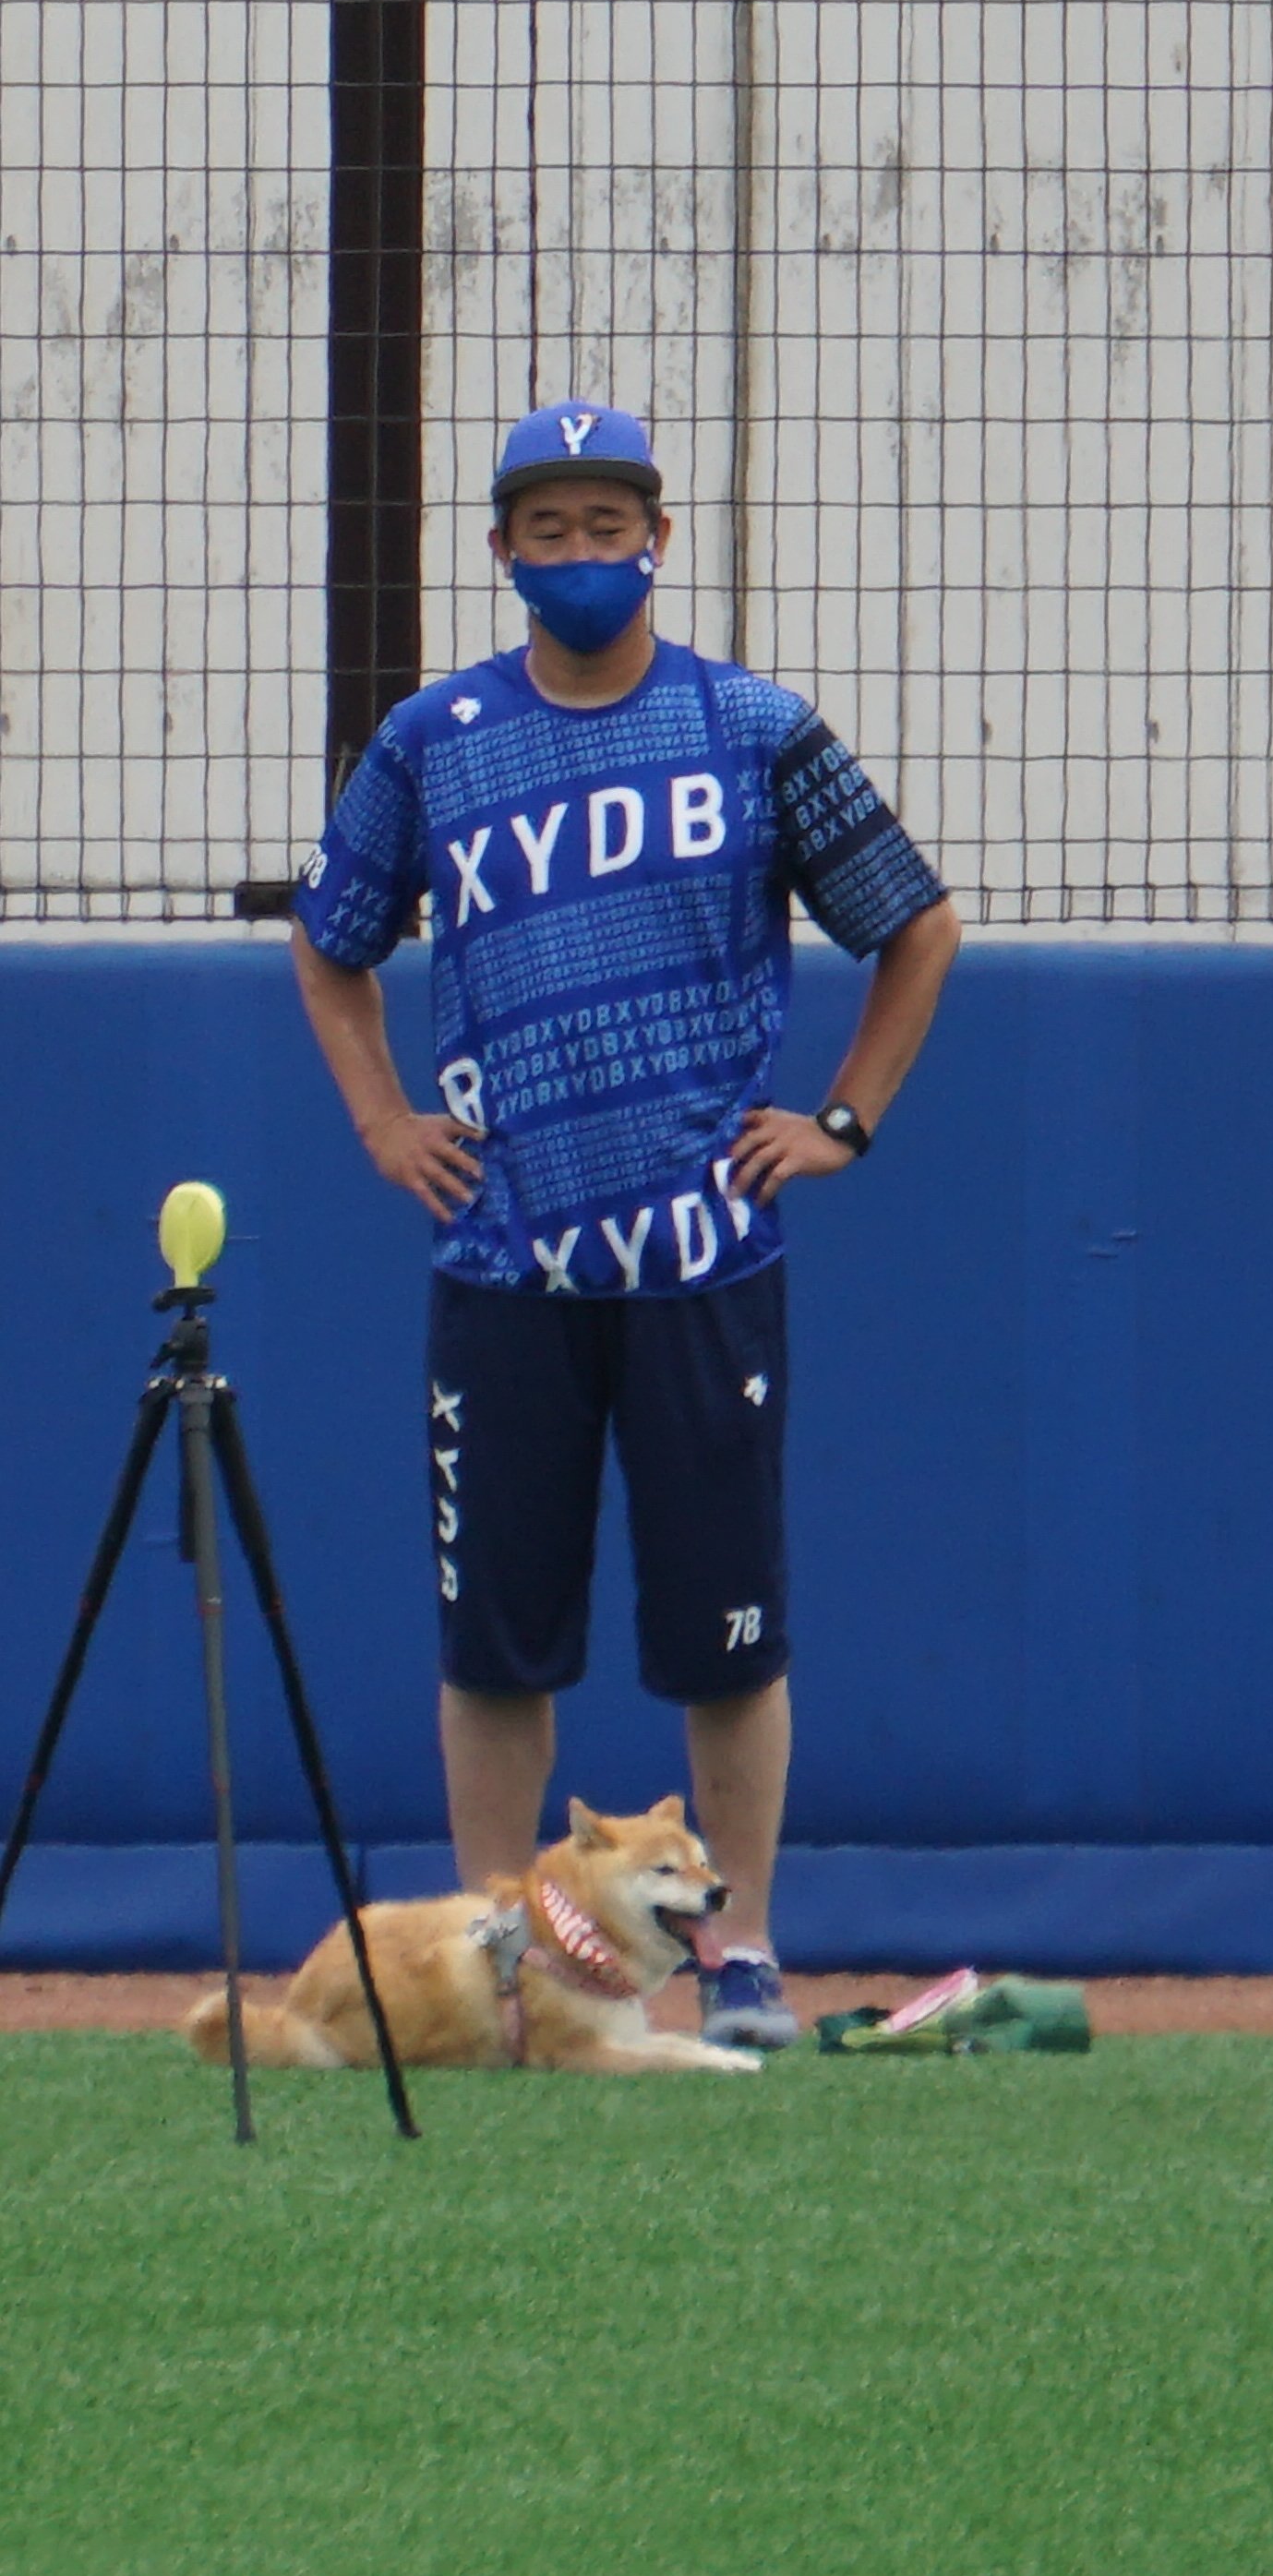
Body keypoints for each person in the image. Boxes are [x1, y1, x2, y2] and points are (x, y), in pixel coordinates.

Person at [288, 401, 960, 2051]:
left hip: (701, 1267)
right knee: (498, 1642)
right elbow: (332, 940)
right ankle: (494, 1953)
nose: (581, 557)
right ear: (503, 550)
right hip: (505, 1261)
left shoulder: (754, 728)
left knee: (727, 1635)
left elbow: (918, 926)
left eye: (610, 527)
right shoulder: (433, 742)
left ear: (658, 539)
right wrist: (383, 1121)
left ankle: (738, 1960)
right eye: (550, 530)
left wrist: (844, 1121)